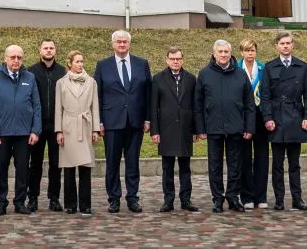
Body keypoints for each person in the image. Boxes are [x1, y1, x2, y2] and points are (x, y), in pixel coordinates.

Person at [94, 29, 151, 213]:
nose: (121, 44)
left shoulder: (142, 64)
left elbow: (148, 94)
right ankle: (114, 198)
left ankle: (133, 198)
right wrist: (99, 122)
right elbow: (98, 96)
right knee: (112, 162)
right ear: (113, 44)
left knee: (133, 162)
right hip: (111, 122)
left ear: (129, 44)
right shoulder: (103, 65)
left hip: (135, 121)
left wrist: (148, 118)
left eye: (125, 41)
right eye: (118, 42)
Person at [196, 39, 255, 213]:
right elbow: (198, 104)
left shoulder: (240, 74)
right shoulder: (205, 73)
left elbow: (249, 103)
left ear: (230, 53)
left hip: (236, 127)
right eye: (220, 52)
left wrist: (249, 127)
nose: (223, 55)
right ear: (214, 54)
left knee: (235, 164)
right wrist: (200, 128)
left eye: (226, 52)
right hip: (213, 127)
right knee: (214, 165)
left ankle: (233, 196)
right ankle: (217, 198)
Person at [0, 44, 42, 215]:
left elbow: (36, 106)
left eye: (19, 57)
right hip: (2, 134)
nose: (16, 60)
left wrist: (35, 130)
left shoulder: (30, 78)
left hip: (24, 134)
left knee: (23, 169)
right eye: (13, 57)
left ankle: (20, 202)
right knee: (0, 169)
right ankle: (1, 202)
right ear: (5, 58)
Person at [264, 31, 307, 211]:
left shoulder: (302, 66)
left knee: (295, 163)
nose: (285, 46)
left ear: (293, 45)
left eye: (288, 43)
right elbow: (265, 95)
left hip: (295, 118)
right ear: (277, 46)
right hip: (276, 119)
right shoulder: (270, 67)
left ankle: (297, 198)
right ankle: (279, 199)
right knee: (277, 164)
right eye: (282, 43)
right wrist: (267, 118)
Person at [149, 46, 199, 212]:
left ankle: (186, 200)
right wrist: (155, 131)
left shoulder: (191, 79)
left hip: (185, 129)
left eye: (178, 59)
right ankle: (168, 200)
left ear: (182, 60)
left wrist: (196, 130)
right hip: (166, 129)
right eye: (172, 59)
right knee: (167, 168)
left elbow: (195, 106)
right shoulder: (158, 79)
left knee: (185, 168)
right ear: (167, 60)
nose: (175, 61)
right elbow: (153, 106)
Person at [55, 49, 102, 215]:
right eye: (77, 61)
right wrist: (58, 131)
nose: (80, 64)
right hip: (68, 126)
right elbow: (58, 108)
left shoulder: (91, 82)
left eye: (82, 61)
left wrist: (96, 129)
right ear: (69, 63)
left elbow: (94, 106)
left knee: (85, 167)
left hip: (85, 125)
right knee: (68, 167)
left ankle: (85, 204)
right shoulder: (61, 83)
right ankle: (70, 204)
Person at [25, 38, 65, 213]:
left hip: (57, 125)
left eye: (51, 48)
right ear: (39, 51)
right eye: (45, 48)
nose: (48, 51)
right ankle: (32, 197)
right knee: (35, 163)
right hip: (37, 125)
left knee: (56, 164)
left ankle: (54, 198)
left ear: (55, 51)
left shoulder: (63, 71)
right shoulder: (31, 72)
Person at [236, 38, 270, 209]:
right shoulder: (236, 69)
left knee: (262, 157)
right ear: (241, 52)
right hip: (242, 117)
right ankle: (247, 196)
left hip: (261, 115)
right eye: (247, 50)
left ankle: (261, 196)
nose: (250, 53)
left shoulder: (264, 68)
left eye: (253, 50)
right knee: (244, 157)